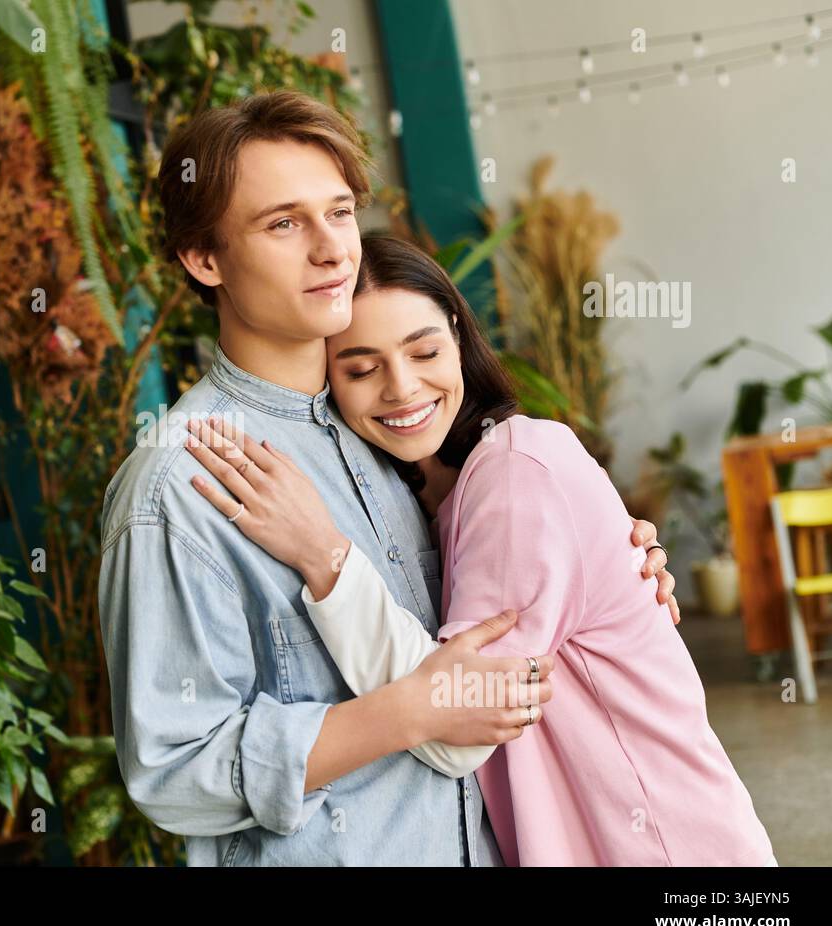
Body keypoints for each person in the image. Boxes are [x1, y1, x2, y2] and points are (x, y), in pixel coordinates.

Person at [98, 91, 676, 866]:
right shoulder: (182, 483)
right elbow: (172, 768)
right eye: (282, 223)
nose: (333, 250)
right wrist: (403, 714)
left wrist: (608, 567)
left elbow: (497, 616)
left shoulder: (390, 432)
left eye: (339, 213)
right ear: (205, 259)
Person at [184, 235, 774, 866]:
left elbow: (464, 717)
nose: (402, 388)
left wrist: (323, 556)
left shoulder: (517, 469)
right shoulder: (428, 503)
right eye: (361, 369)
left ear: (460, 339)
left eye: (425, 350)